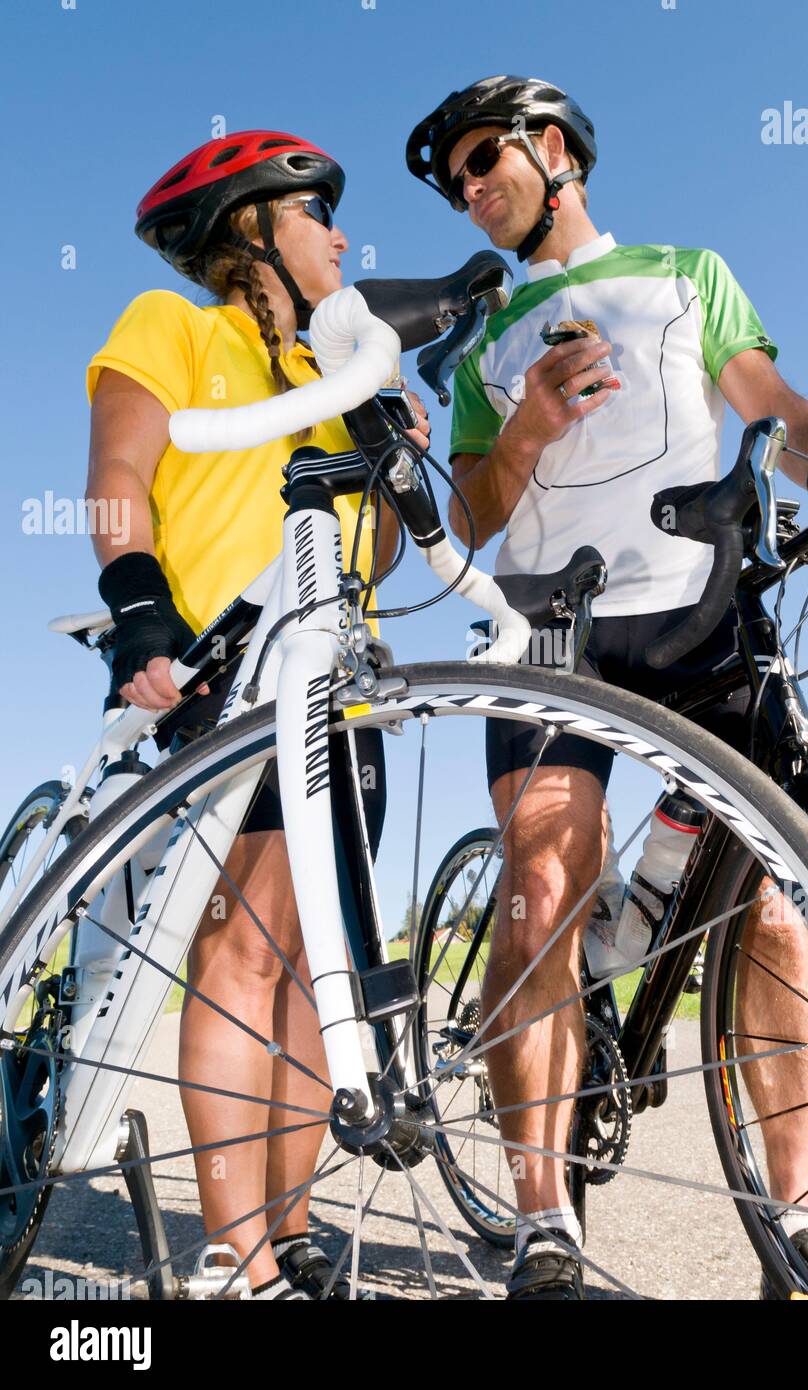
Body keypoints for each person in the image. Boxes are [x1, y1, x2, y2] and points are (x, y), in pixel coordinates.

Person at [406, 76, 808, 1300]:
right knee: (539, 889)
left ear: (554, 149)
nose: (470, 190)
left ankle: (799, 1222)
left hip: (699, 614)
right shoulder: (476, 332)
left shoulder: (685, 272)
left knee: (781, 912)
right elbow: (471, 517)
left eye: (485, 159)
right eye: (453, 179)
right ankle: (543, 1223)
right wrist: (522, 429)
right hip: (547, 632)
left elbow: (773, 407)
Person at [85, 129, 429, 1298]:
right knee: (241, 946)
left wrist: (390, 466)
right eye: (316, 213)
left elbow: (378, 551)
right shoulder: (171, 326)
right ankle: (235, 1254)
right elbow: (119, 474)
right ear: (251, 229)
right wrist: (137, 611)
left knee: (301, 967)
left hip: (344, 679)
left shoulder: (331, 380)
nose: (340, 234)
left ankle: (287, 1233)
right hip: (226, 671)